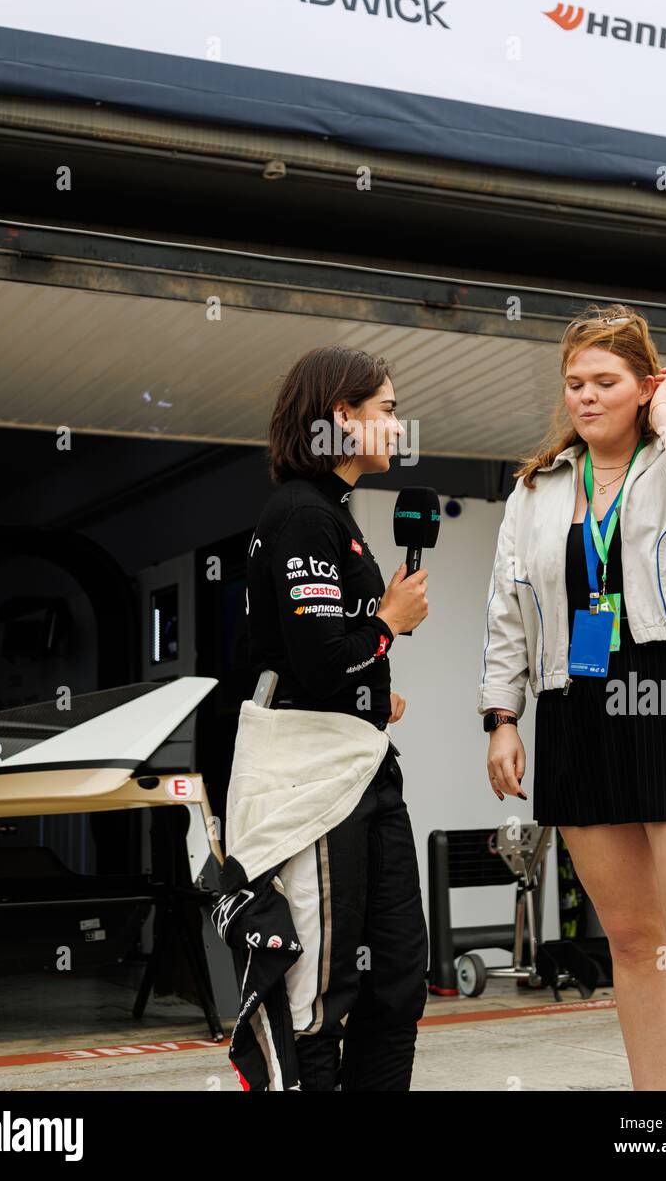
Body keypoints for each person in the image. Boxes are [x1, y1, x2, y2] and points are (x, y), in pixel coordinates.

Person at [477, 302, 666, 1092]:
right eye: (573, 382)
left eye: (605, 381)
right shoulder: (536, 489)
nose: (585, 396)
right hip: (578, 702)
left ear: (646, 385)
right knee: (634, 941)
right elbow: (507, 610)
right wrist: (501, 716)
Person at [243, 345, 429, 1090]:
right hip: (312, 786)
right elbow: (319, 659)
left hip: (364, 767)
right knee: (318, 994)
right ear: (340, 417)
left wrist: (372, 691)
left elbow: (323, 660)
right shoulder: (300, 516)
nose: (396, 424)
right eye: (386, 410)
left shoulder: (332, 516)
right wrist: (387, 621)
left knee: (397, 979)